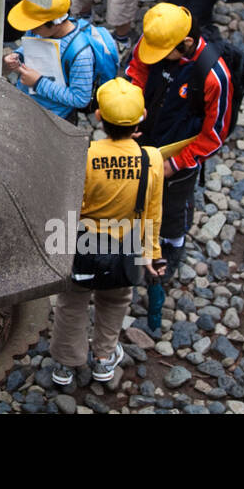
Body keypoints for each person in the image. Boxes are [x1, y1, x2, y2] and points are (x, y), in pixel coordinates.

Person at [49, 78, 165, 387]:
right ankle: (103, 359)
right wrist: (153, 254)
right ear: (141, 119)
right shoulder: (151, 159)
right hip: (125, 246)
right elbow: (153, 210)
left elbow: (70, 204)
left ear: (99, 116)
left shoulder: (84, 155)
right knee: (115, 302)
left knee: (72, 303)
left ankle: (65, 364)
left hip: (83, 245)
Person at [126, 4, 235, 314]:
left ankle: (172, 246)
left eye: (163, 53)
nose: (154, 56)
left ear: (186, 44)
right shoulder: (153, 42)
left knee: (173, 207)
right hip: (144, 139)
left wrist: (176, 163)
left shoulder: (214, 76)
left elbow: (214, 135)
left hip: (179, 157)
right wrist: (133, 105)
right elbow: (137, 69)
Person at [2, 0, 95, 123]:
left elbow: (80, 99)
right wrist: (18, 56)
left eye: (35, 26)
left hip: (55, 117)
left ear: (55, 23)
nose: (31, 30)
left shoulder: (81, 55)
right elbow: (32, 45)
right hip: (26, 103)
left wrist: (38, 83)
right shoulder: (40, 30)